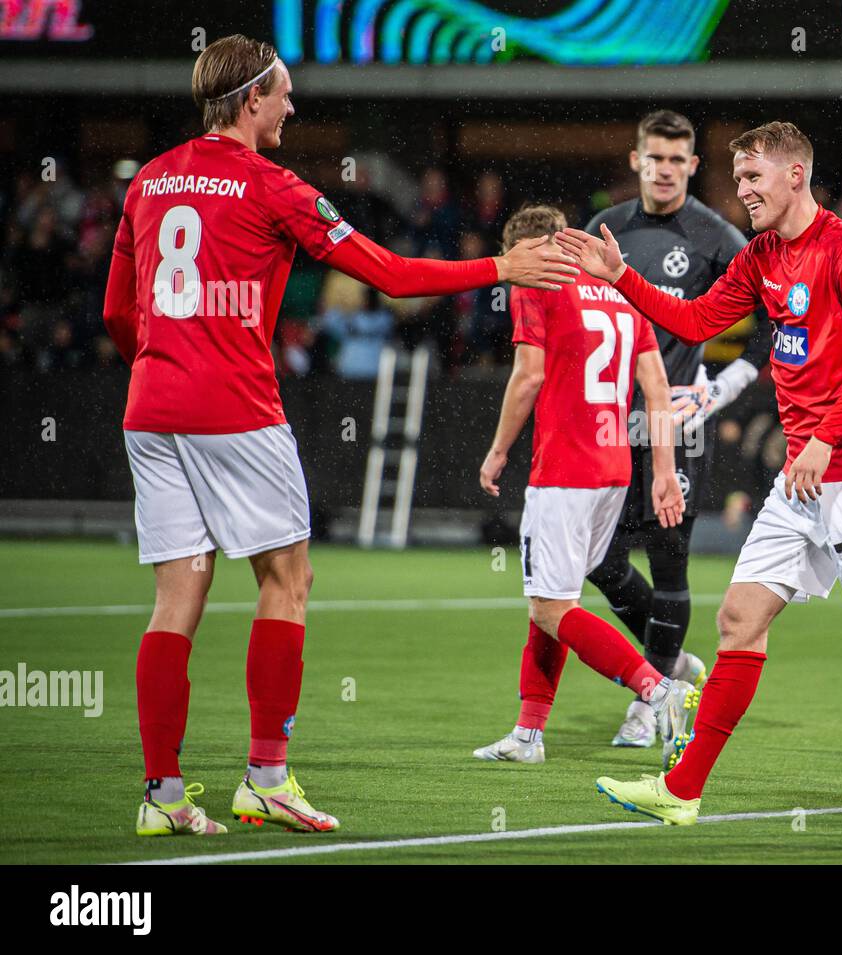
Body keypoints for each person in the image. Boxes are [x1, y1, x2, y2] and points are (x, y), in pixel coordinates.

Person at [107, 35, 577, 837]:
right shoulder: (273, 186)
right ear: (251, 98)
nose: (293, 106)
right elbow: (390, 275)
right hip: (235, 409)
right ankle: (265, 777)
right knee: (286, 582)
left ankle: (162, 793)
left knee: (174, 603)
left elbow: (121, 314)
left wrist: (167, 369)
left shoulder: (148, 180)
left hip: (152, 410)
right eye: (284, 94)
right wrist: (500, 270)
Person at [559, 122, 842, 834]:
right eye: (739, 178)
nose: (742, 190)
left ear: (794, 176)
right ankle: (683, 788)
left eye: (754, 178)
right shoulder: (761, 256)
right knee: (738, 619)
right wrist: (621, 277)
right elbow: (695, 319)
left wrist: (820, 439)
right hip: (802, 477)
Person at [474, 206, 699, 769]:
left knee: (551, 608)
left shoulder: (537, 277)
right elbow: (658, 391)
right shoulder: (618, 286)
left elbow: (529, 374)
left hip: (566, 470)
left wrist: (499, 450)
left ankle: (657, 688)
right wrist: (665, 472)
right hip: (615, 471)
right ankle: (528, 736)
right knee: (552, 603)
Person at [583, 110, 771, 749]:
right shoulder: (603, 230)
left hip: (679, 430)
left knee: (668, 566)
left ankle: (651, 696)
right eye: (653, 158)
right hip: (610, 424)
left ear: (693, 166)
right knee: (599, 562)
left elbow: (777, 322)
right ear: (636, 160)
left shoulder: (717, 237)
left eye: (677, 161)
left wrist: (721, 390)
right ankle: (671, 662)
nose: (664, 170)